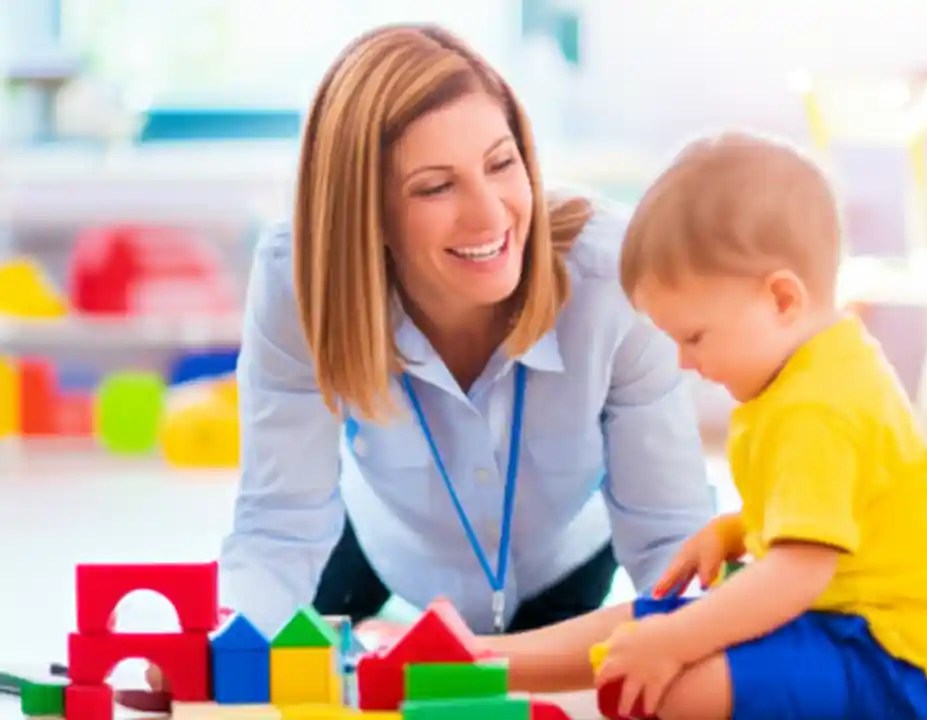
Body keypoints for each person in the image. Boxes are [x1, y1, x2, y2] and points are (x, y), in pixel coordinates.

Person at [217, 23, 714, 640]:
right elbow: (280, 522)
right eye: (435, 186)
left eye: (501, 164)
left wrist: (707, 643)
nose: (489, 214)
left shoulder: (615, 277)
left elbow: (674, 535)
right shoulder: (300, 279)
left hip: (559, 563)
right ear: (365, 214)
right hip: (382, 545)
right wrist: (224, 658)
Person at [483, 132, 927, 720]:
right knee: (642, 626)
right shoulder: (814, 369)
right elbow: (843, 511)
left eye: (694, 337)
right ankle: (480, 661)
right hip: (836, 620)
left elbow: (796, 573)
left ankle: (497, 669)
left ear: (782, 300)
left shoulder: (818, 407)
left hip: (879, 651)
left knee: (676, 680)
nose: (685, 363)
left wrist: (676, 642)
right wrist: (738, 530)